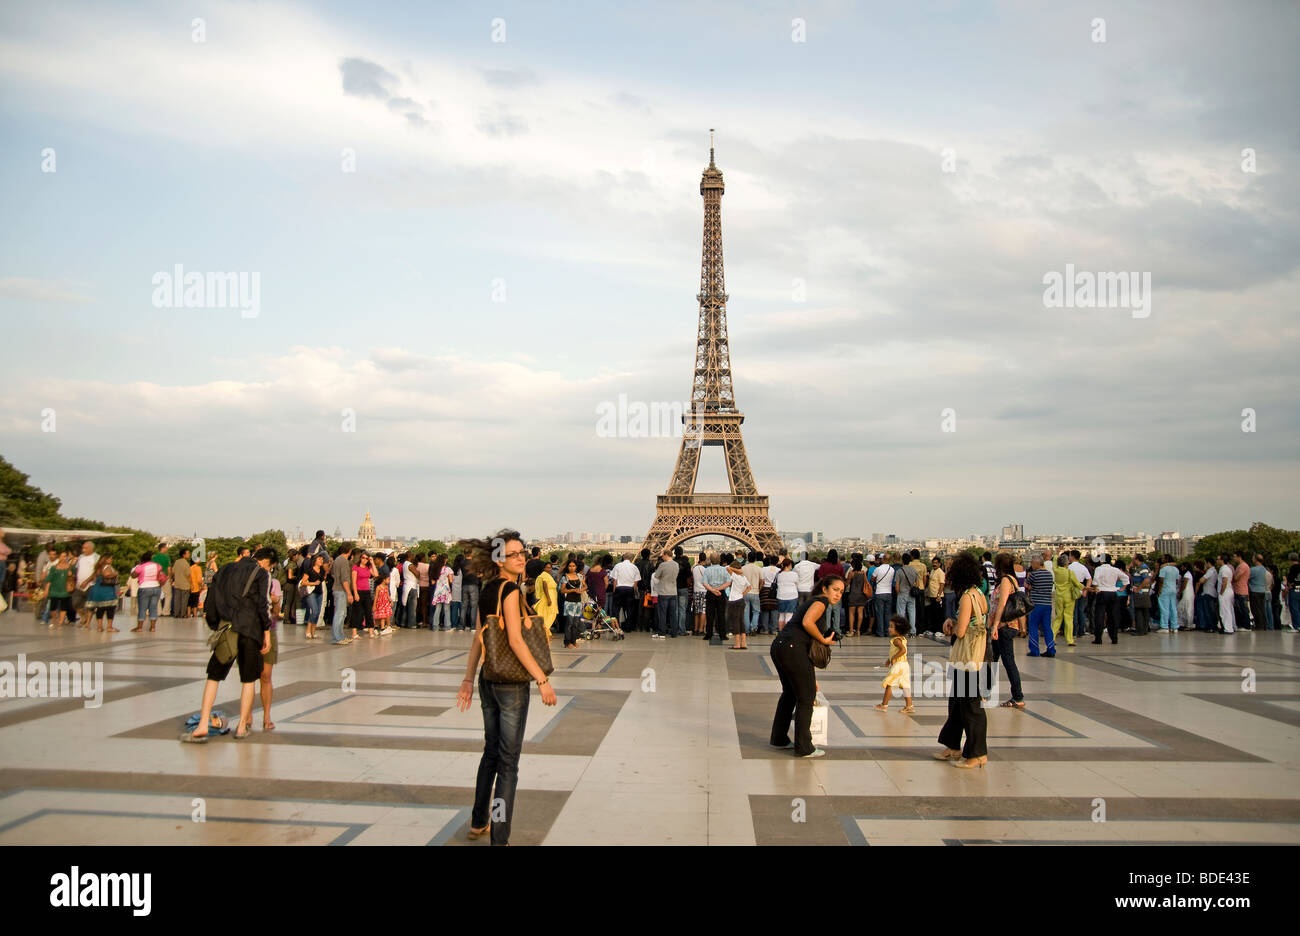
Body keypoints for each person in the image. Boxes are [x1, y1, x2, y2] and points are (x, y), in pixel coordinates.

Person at [455, 530, 557, 845]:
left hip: (489, 679)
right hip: (512, 684)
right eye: (514, 554)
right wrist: (541, 679)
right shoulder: (510, 591)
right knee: (508, 764)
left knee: (490, 754)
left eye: (522, 553)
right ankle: (500, 837)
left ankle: (478, 821)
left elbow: (479, 637)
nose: (521, 558)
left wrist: (470, 678)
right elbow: (514, 639)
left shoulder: (488, 590)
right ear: (500, 559)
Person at [181, 547, 276, 742]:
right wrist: (266, 633)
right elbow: (263, 605)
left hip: (228, 627)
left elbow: (211, 600)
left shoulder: (224, 569)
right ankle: (242, 726)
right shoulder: (261, 573)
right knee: (248, 679)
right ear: (267, 562)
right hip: (251, 629)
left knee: (213, 676)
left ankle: (202, 724)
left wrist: (217, 624)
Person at [769, 574, 842, 758]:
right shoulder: (821, 602)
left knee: (790, 693)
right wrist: (823, 638)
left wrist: (811, 677)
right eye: (835, 589)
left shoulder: (813, 601)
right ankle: (804, 746)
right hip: (793, 648)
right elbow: (807, 623)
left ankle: (779, 738)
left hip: (780, 646)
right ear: (824, 588)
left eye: (841, 591)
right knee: (806, 698)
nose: (838, 594)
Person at [934, 553, 989, 768]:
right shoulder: (979, 594)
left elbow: (963, 630)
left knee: (970, 706)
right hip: (979, 655)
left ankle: (977, 754)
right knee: (957, 704)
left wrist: (950, 625)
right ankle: (953, 745)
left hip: (968, 658)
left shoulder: (967, 597)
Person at [988, 552, 1025, 708]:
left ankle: (1018, 696)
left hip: (1004, 626)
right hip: (1007, 626)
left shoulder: (1005, 581)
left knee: (1006, 661)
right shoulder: (1012, 580)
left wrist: (996, 625)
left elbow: (1002, 604)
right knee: (993, 659)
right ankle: (985, 692)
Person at [875, 615, 915, 712]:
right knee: (905, 685)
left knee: (889, 684)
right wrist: (889, 659)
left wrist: (893, 658)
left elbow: (903, 650)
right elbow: (897, 651)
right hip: (905, 665)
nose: (889, 628)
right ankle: (909, 706)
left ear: (899, 629)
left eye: (891, 626)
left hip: (899, 666)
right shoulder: (902, 638)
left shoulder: (896, 640)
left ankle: (884, 705)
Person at [1024, 554, 1055, 657]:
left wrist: (1030, 585)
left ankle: (1034, 650)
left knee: (1033, 626)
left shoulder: (1034, 574)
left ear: (1036, 563)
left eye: (1032, 563)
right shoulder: (1049, 574)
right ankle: (1051, 649)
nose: (1031, 565)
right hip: (1047, 604)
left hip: (1036, 604)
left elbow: (1027, 585)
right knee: (1047, 627)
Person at [129, 550, 165, 633]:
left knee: (142, 608)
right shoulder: (157, 566)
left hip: (144, 587)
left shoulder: (141, 566)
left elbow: (133, 575)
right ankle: (152, 627)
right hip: (156, 587)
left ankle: (139, 627)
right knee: (153, 607)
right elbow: (161, 573)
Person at [1052, 555, 1083, 646]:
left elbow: (1054, 562)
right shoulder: (1070, 573)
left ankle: (1052, 637)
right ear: (1066, 563)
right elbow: (1077, 584)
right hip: (1069, 597)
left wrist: (1057, 553)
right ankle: (1069, 639)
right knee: (1069, 618)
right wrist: (1086, 588)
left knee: (1058, 618)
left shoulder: (1056, 571)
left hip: (1059, 596)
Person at [86, 556, 121, 633]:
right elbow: (106, 575)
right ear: (106, 559)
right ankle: (109, 627)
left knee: (100, 608)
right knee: (110, 608)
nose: (111, 560)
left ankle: (99, 626)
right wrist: (115, 574)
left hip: (97, 589)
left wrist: (85, 582)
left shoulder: (98, 568)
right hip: (106, 590)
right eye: (110, 558)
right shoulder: (107, 567)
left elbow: (92, 577)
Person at [701, 551, 731, 641]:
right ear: (719, 560)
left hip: (710, 594)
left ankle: (709, 634)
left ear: (710, 560)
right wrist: (718, 589)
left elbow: (704, 583)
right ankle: (722, 634)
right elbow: (729, 582)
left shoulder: (707, 570)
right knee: (721, 614)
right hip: (721, 593)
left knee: (710, 615)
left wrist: (713, 590)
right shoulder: (724, 569)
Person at [652, 549, 679, 640]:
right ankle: (674, 633)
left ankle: (662, 632)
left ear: (666, 555)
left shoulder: (662, 565)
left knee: (662, 613)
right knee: (673, 614)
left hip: (663, 592)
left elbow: (656, 576)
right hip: (673, 592)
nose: (662, 557)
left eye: (662, 555)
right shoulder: (676, 564)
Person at [72, 541, 100, 628]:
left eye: (85, 548)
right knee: (75, 603)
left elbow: (96, 572)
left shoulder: (96, 557)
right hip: (79, 585)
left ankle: (88, 623)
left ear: (91, 548)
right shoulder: (81, 557)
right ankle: (83, 616)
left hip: (91, 584)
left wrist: (87, 581)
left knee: (90, 605)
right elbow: (77, 569)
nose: (83, 550)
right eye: (83, 548)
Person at [559, 559, 585, 648]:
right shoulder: (565, 577)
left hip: (578, 602)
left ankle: (573, 641)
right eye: (570, 566)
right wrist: (573, 590)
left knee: (576, 623)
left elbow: (585, 586)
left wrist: (581, 590)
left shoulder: (580, 576)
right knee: (569, 623)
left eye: (573, 566)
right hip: (569, 602)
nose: (572, 568)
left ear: (576, 567)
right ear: (567, 567)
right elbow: (562, 590)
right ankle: (567, 642)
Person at [299, 553, 326, 639]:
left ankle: (313, 632)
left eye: (322, 559)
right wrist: (313, 583)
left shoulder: (322, 570)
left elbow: (322, 579)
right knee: (314, 611)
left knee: (317, 612)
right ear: (314, 561)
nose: (321, 561)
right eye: (319, 559)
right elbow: (303, 582)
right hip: (311, 592)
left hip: (319, 592)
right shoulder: (309, 570)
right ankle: (308, 630)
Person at [726, 557, 750, 650]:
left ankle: (737, 643)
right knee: (741, 621)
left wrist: (735, 570)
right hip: (741, 600)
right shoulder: (744, 577)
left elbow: (727, 567)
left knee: (735, 622)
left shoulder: (735, 576)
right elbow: (749, 587)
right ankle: (744, 642)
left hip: (734, 601)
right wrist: (743, 593)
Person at [350, 551, 375, 639]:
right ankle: (354, 632)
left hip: (367, 591)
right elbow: (353, 581)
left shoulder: (368, 568)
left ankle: (371, 631)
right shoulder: (355, 567)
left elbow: (376, 574)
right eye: (363, 558)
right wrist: (355, 593)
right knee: (356, 612)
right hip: (359, 591)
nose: (364, 560)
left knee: (368, 611)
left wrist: (372, 563)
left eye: (366, 558)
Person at [844, 554, 869, 637]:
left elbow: (847, 584)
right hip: (861, 595)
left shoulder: (851, 573)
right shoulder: (863, 573)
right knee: (860, 613)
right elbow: (866, 583)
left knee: (851, 613)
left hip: (853, 595)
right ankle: (858, 630)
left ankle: (851, 631)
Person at [870, 554, 895, 637]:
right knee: (887, 614)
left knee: (879, 613)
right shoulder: (892, 569)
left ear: (883, 559)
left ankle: (880, 632)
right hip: (888, 592)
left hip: (879, 592)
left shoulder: (878, 569)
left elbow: (872, 579)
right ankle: (887, 631)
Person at [1155, 555, 1180, 634]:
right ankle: (1174, 626)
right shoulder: (1176, 569)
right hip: (1173, 589)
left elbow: (1161, 580)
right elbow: (1177, 580)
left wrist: (1159, 590)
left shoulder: (1163, 569)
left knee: (1164, 608)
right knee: (1173, 608)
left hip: (1165, 590)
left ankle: (1164, 626)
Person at [429, 554, 454, 630]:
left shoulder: (435, 569)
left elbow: (433, 582)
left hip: (438, 590)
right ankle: (447, 626)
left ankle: (435, 626)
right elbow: (451, 580)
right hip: (445, 590)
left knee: (437, 609)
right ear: (444, 561)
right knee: (446, 609)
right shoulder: (448, 569)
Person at [1248, 554, 1270, 631]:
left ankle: (1259, 625)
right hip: (1262, 590)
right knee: (1261, 608)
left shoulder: (1253, 570)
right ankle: (1264, 624)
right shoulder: (1263, 569)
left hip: (1254, 590)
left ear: (1256, 560)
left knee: (1255, 609)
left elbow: (1247, 577)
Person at [924, 555, 945, 635]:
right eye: (933, 563)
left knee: (938, 615)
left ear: (939, 564)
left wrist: (939, 595)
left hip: (937, 597)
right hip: (931, 596)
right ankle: (932, 630)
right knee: (932, 614)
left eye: (936, 563)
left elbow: (942, 584)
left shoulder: (940, 572)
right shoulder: (932, 571)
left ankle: (939, 630)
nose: (934, 564)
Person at [1217, 555, 1237, 634]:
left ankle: (1228, 628)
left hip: (1225, 592)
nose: (1217, 561)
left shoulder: (1224, 569)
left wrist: (1221, 592)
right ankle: (1230, 626)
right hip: (1228, 591)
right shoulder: (1226, 569)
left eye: (1218, 559)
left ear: (1222, 560)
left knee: (1225, 610)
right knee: (1228, 609)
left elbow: (1224, 581)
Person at [373, 561, 394, 634]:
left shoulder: (386, 587)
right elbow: (376, 596)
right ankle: (378, 627)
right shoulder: (378, 587)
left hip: (385, 603)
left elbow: (388, 595)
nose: (389, 581)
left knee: (384, 616)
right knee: (380, 616)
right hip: (380, 603)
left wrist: (390, 601)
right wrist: (374, 605)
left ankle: (382, 628)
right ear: (383, 580)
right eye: (388, 579)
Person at [171, 548, 191, 620]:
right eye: (188, 553)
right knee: (184, 600)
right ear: (184, 555)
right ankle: (182, 614)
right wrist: (191, 584)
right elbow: (188, 575)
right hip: (185, 585)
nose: (189, 554)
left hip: (177, 584)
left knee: (177, 600)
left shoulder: (176, 562)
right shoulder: (186, 563)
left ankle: (176, 613)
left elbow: (173, 572)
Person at [692, 552, 708, 634]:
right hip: (703, 591)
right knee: (703, 611)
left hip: (696, 591)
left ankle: (695, 629)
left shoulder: (694, 568)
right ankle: (701, 629)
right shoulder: (705, 569)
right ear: (705, 559)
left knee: (697, 611)